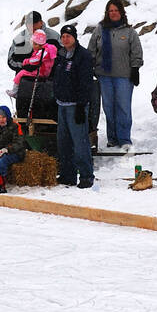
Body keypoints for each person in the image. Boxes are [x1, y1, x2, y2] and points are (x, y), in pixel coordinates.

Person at [87, 0, 143, 150]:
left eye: (116, 10)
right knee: (109, 107)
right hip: (104, 75)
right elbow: (91, 50)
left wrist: (135, 69)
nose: (113, 13)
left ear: (121, 12)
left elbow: (136, 52)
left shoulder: (129, 31)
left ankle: (124, 138)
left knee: (123, 107)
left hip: (123, 76)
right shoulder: (100, 29)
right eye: (110, 11)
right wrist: (89, 67)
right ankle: (112, 138)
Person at [54, 23, 96, 188]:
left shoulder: (83, 55)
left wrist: (81, 105)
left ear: (75, 38)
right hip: (61, 104)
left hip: (75, 105)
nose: (65, 39)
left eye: (68, 36)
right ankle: (67, 174)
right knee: (63, 142)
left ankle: (86, 175)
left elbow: (86, 82)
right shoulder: (61, 54)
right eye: (63, 36)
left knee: (80, 142)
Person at [11, 28, 57, 95]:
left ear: (40, 44)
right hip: (40, 70)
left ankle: (14, 91)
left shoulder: (44, 51)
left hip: (41, 72)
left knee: (21, 73)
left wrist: (26, 61)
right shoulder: (42, 50)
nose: (33, 46)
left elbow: (36, 59)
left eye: (35, 44)